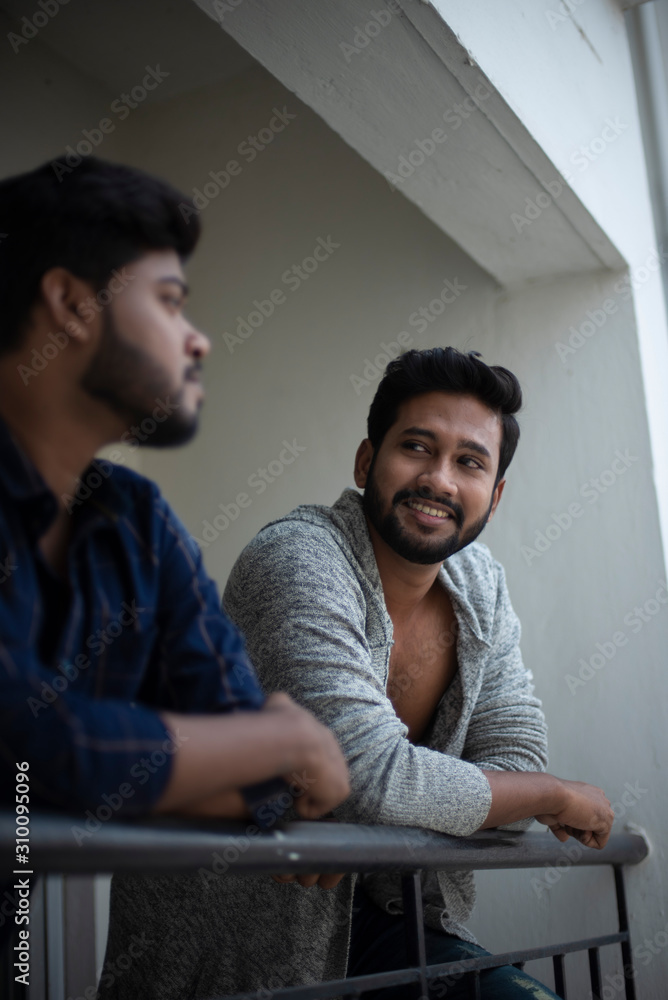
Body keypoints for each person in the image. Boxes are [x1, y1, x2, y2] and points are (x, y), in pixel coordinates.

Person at [101, 347, 613, 999]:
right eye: (418, 447)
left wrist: (395, 802)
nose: (440, 481)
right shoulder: (297, 559)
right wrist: (550, 795)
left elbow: (508, 762)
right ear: (367, 461)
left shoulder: (481, 587)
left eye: (470, 462)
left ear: (496, 495)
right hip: (236, 950)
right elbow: (375, 776)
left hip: (394, 930)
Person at [0, 156, 350, 956]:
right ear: (70, 303)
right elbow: (22, 748)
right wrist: (289, 741)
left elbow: (257, 784)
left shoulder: (137, 523)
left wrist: (249, 759)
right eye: (169, 301)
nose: (200, 338)